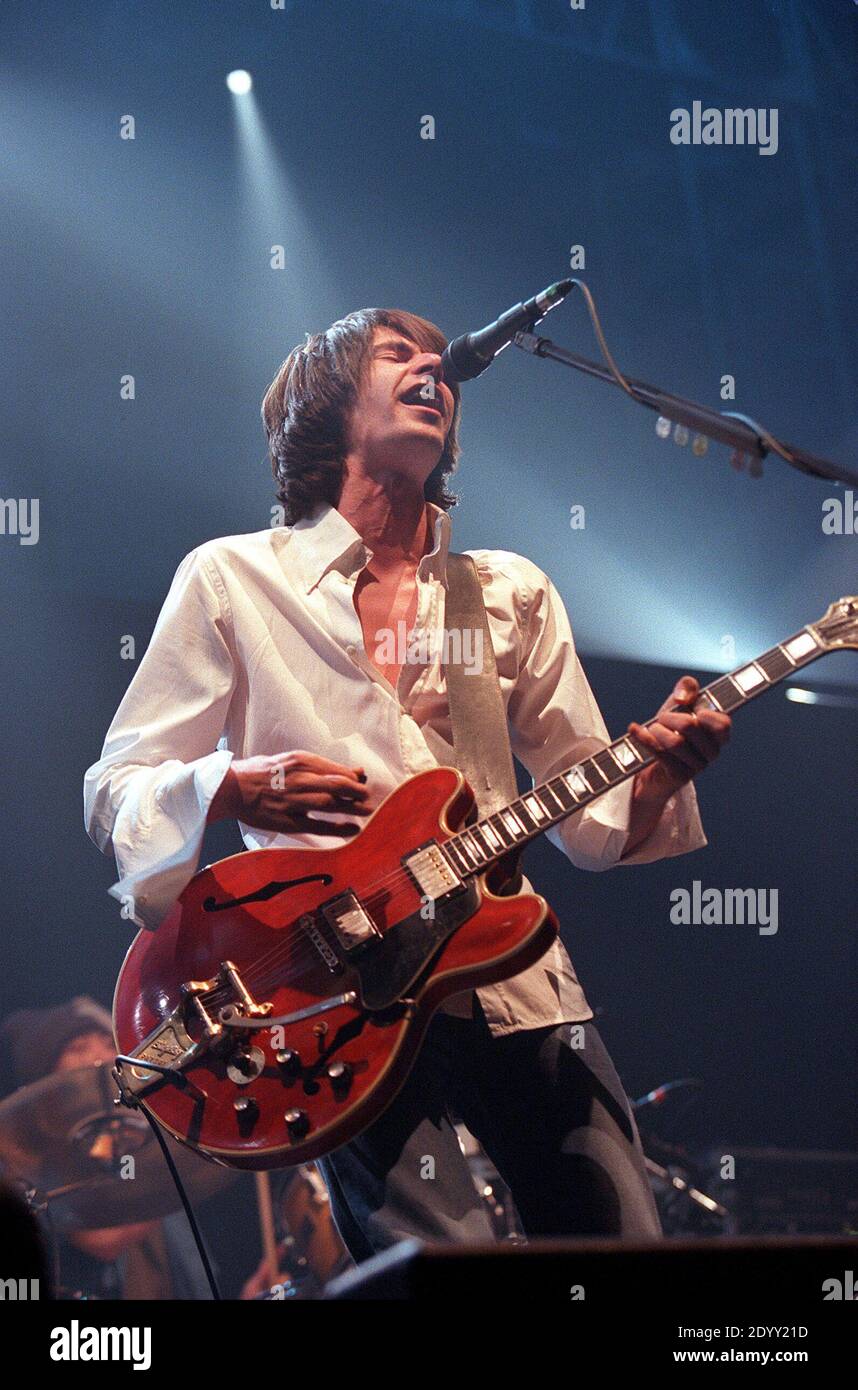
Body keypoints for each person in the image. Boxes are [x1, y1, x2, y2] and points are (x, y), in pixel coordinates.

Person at [83, 307, 730, 1262]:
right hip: (332, 997)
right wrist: (229, 786)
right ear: (326, 404)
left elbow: (592, 827)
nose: (434, 365)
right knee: (435, 1269)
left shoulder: (507, 590)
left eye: (441, 360)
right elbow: (115, 787)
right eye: (399, 353)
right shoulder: (232, 579)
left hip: (514, 977)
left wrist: (664, 769)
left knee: (620, 1246)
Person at [0, 996, 212, 1298]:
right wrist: (186, 1173)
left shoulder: (143, 1156)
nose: (100, 1057)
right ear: (46, 1082)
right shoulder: (36, 1165)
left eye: (106, 1042)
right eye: (77, 1048)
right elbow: (104, 1242)